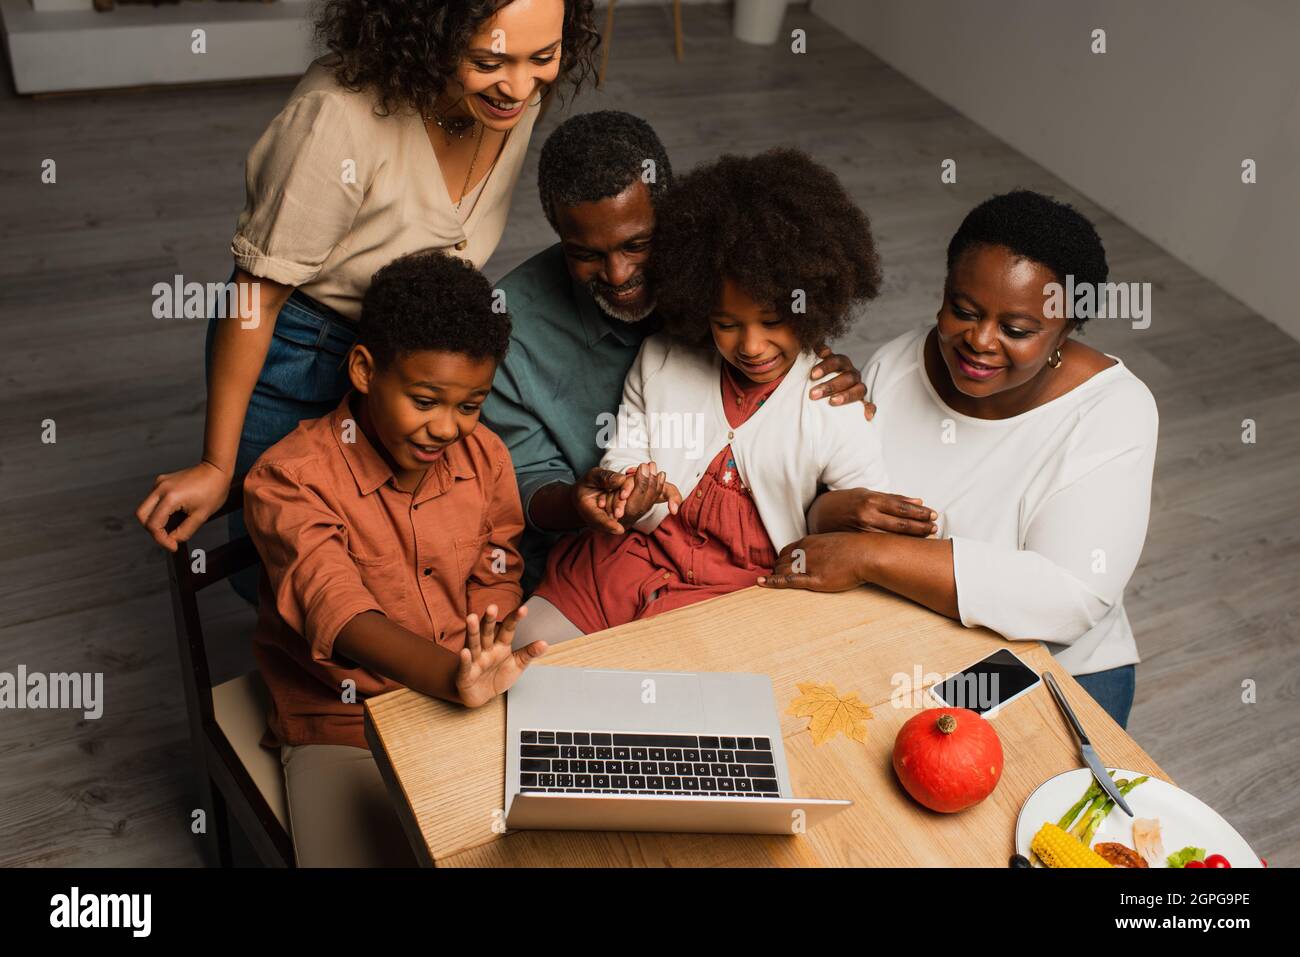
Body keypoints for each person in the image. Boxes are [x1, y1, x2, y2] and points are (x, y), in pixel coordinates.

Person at [136, 0, 600, 603]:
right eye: (488, 60)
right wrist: (216, 467)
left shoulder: (512, 96)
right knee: (283, 569)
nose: (518, 87)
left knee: (392, 555)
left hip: (413, 352)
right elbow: (255, 298)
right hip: (301, 344)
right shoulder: (336, 119)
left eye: (544, 56)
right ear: (429, 32)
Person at [762, 190, 1159, 729]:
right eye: (962, 311)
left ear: (1067, 329)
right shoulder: (899, 364)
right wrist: (841, 509)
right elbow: (821, 517)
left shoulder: (1113, 411)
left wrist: (869, 555)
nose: (980, 341)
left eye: (1017, 331)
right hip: (905, 634)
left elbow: (1069, 597)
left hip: (1046, 665)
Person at [480, 112, 890, 600]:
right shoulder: (509, 332)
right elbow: (522, 487)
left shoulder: (721, 264)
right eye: (586, 254)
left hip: (736, 564)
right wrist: (581, 502)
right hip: (594, 554)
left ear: (670, 214)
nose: (617, 274)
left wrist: (807, 355)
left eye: (638, 244)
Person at [243, 250, 547, 866]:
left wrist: (485, 640)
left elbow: (497, 561)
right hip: (340, 718)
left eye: (469, 405)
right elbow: (339, 610)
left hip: (470, 694)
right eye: (426, 400)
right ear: (363, 370)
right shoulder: (287, 479)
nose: (447, 428)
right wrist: (451, 677)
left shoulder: (485, 456)